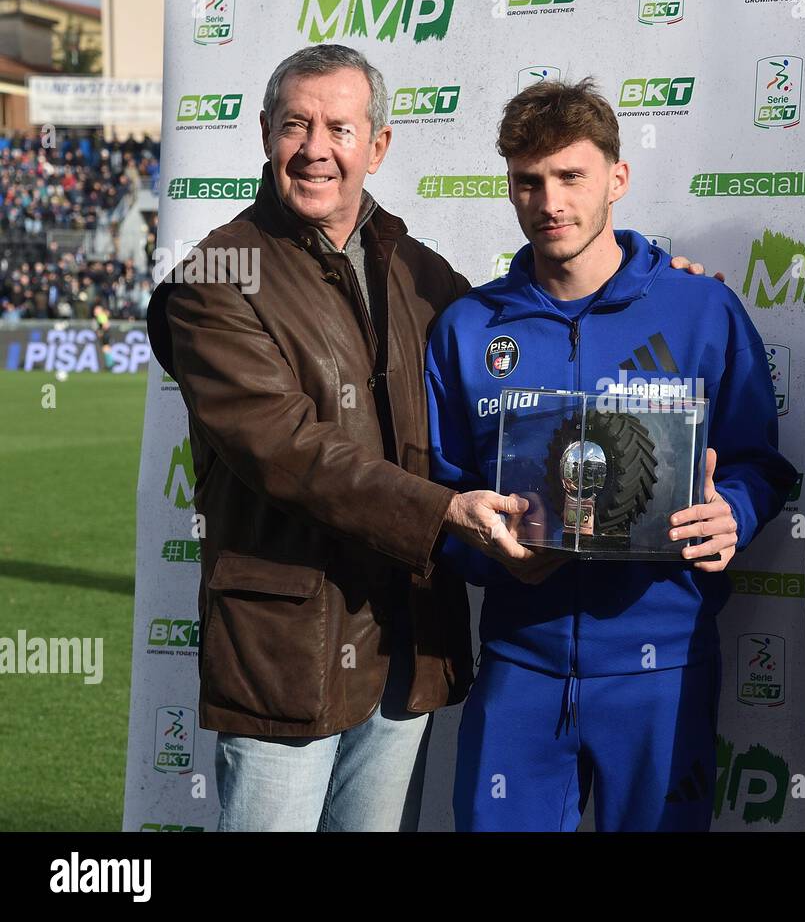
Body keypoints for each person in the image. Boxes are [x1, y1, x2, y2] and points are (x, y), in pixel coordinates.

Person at [147, 44, 550, 831]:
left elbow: (524, 336)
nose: (316, 148)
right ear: (265, 133)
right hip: (287, 651)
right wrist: (441, 515)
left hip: (406, 644)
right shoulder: (214, 277)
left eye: (339, 126)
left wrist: (651, 280)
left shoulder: (420, 272)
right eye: (296, 125)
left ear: (379, 144)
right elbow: (290, 451)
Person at [424, 78, 796, 831]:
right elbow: (440, 493)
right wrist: (488, 548)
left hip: (661, 668)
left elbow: (763, 463)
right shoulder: (467, 327)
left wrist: (737, 512)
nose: (549, 202)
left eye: (570, 176)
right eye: (528, 181)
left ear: (616, 179)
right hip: (519, 665)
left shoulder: (701, 310)